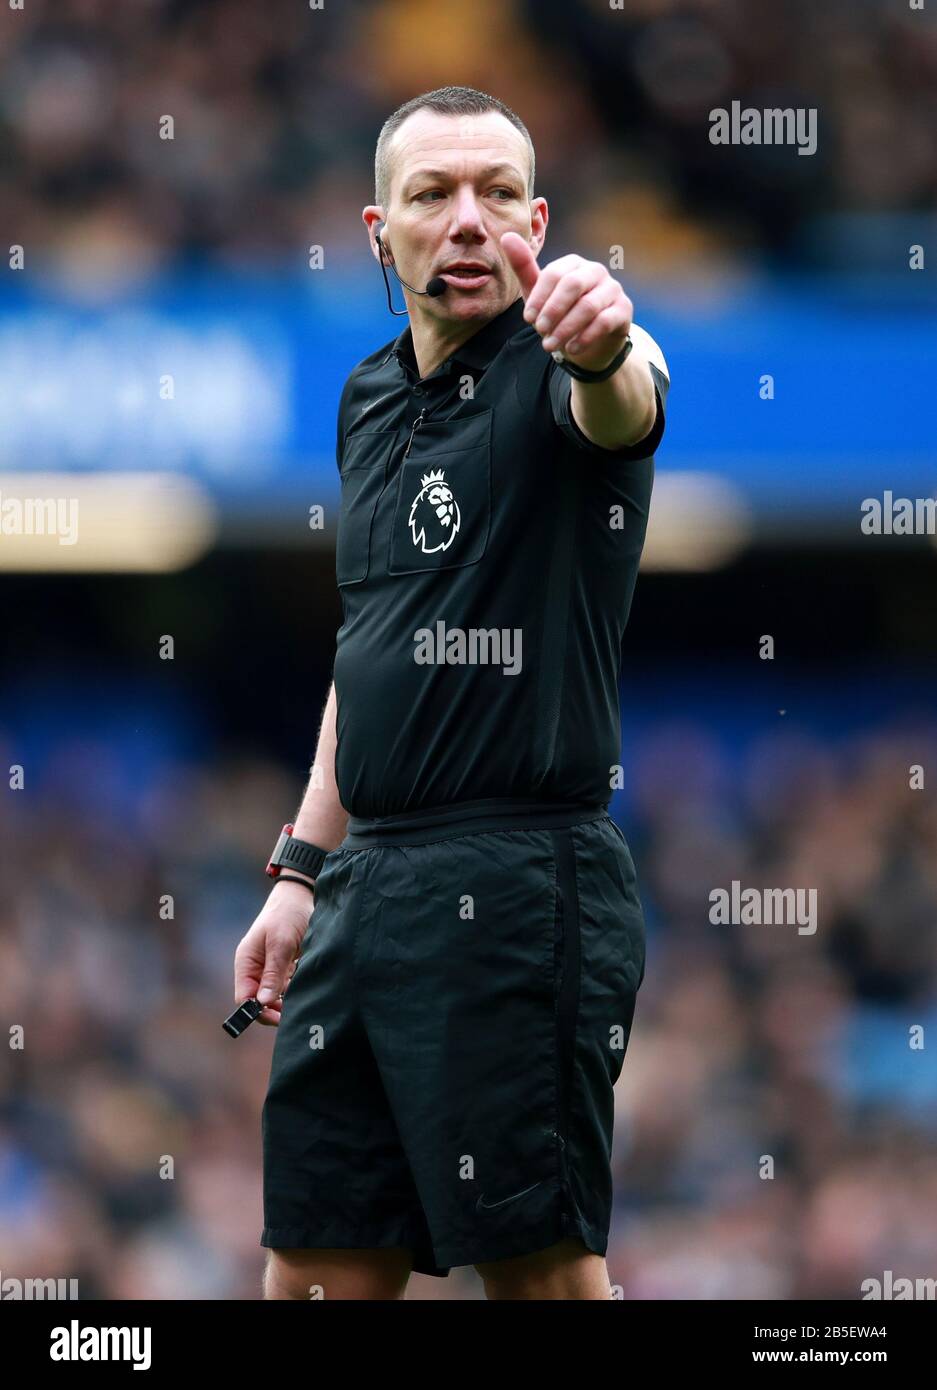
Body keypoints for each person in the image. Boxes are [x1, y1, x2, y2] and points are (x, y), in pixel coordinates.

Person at [235, 85, 670, 1301]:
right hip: (368, 883)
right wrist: (300, 868)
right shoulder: (368, 399)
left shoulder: (560, 360)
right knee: (313, 1265)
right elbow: (368, 641)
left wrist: (604, 343)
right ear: (383, 231)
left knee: (536, 1277)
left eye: (494, 194)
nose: (466, 219)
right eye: (432, 194)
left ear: (536, 218)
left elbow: (625, 392)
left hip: (520, 880)